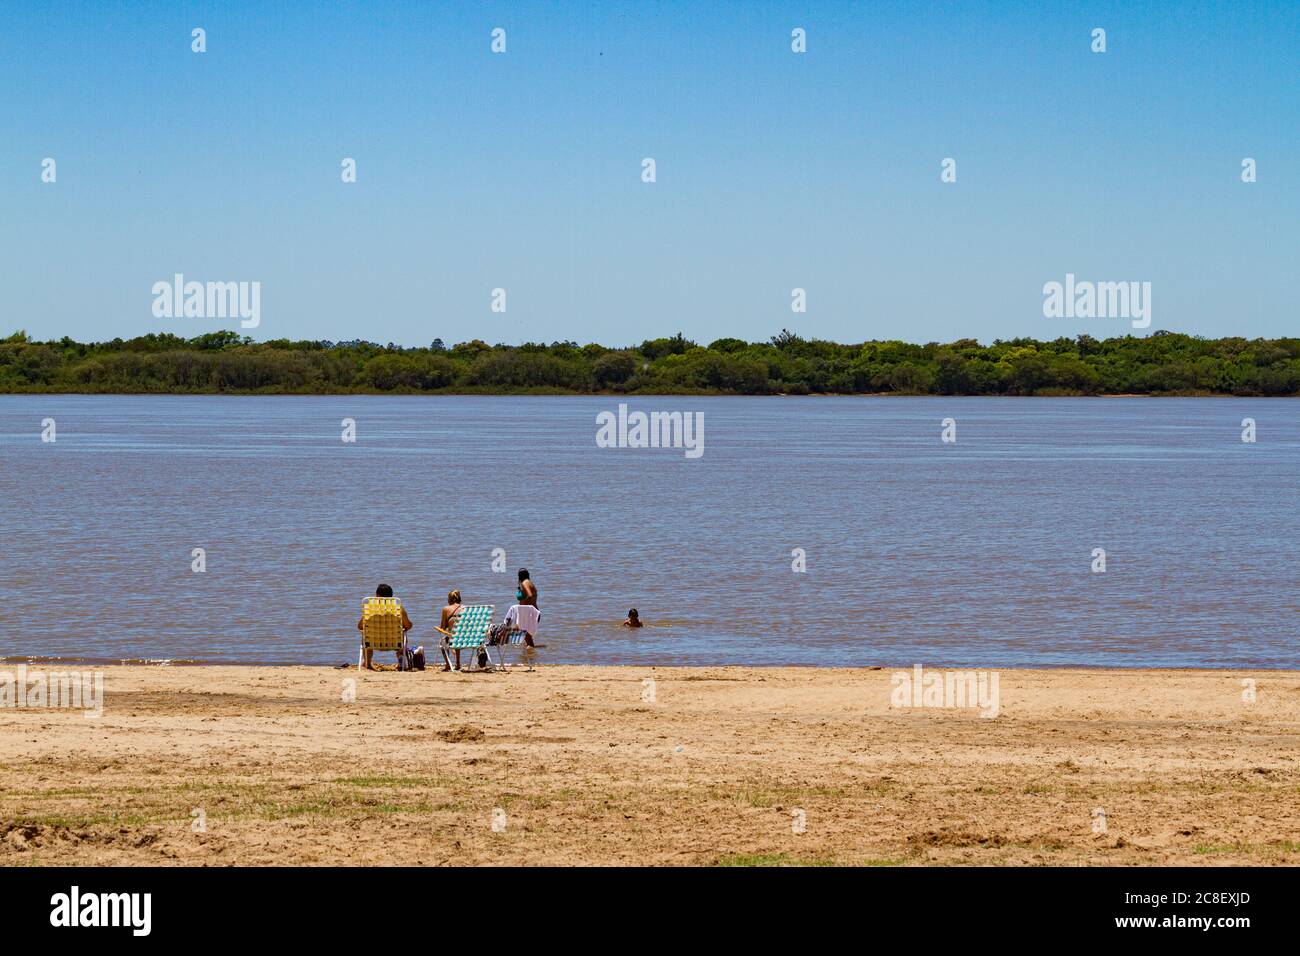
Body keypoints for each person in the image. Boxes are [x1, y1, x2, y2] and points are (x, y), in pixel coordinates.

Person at [356, 583, 413, 670]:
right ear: (391, 596)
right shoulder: (399, 609)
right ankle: (401, 663)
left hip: (373, 642)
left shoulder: (370, 609)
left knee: (366, 634)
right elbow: (408, 626)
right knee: (403, 634)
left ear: (377, 595)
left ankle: (367, 663)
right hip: (394, 642)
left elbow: (360, 626)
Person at [438, 589, 465, 671]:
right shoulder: (465, 608)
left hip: (454, 639)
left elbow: (442, 628)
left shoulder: (446, 609)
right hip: (467, 638)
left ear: (449, 599)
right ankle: (458, 663)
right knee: (457, 636)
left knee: (443, 642)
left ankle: (448, 664)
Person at [515, 569, 538, 647]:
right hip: (533, 612)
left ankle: (530, 656)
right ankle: (530, 655)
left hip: (529, 613)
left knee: (527, 638)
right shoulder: (529, 583)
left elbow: (530, 596)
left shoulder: (525, 583)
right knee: (527, 637)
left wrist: (524, 606)